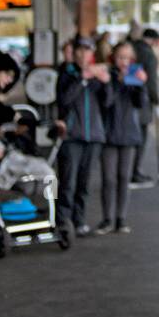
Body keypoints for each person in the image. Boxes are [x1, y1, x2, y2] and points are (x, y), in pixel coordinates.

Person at [56, 37, 111, 240]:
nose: (84, 55)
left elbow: (108, 103)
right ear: (74, 53)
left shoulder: (97, 75)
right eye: (80, 51)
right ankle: (63, 221)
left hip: (94, 136)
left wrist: (106, 84)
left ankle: (79, 221)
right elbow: (64, 100)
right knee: (67, 182)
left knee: (84, 183)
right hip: (72, 136)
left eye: (88, 51)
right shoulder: (66, 73)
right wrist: (82, 78)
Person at [98, 41, 146, 233]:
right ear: (113, 58)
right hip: (108, 133)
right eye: (120, 57)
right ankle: (106, 218)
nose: (124, 62)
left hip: (129, 133)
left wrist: (141, 85)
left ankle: (121, 219)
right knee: (108, 178)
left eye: (127, 58)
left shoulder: (135, 76)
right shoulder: (107, 75)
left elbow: (141, 104)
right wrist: (117, 81)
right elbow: (106, 102)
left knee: (124, 177)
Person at [129, 26, 159, 187]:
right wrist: (155, 98)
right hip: (143, 101)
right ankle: (135, 172)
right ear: (153, 40)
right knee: (140, 138)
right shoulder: (149, 55)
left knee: (128, 138)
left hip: (127, 100)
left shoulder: (131, 49)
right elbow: (151, 81)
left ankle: (128, 171)